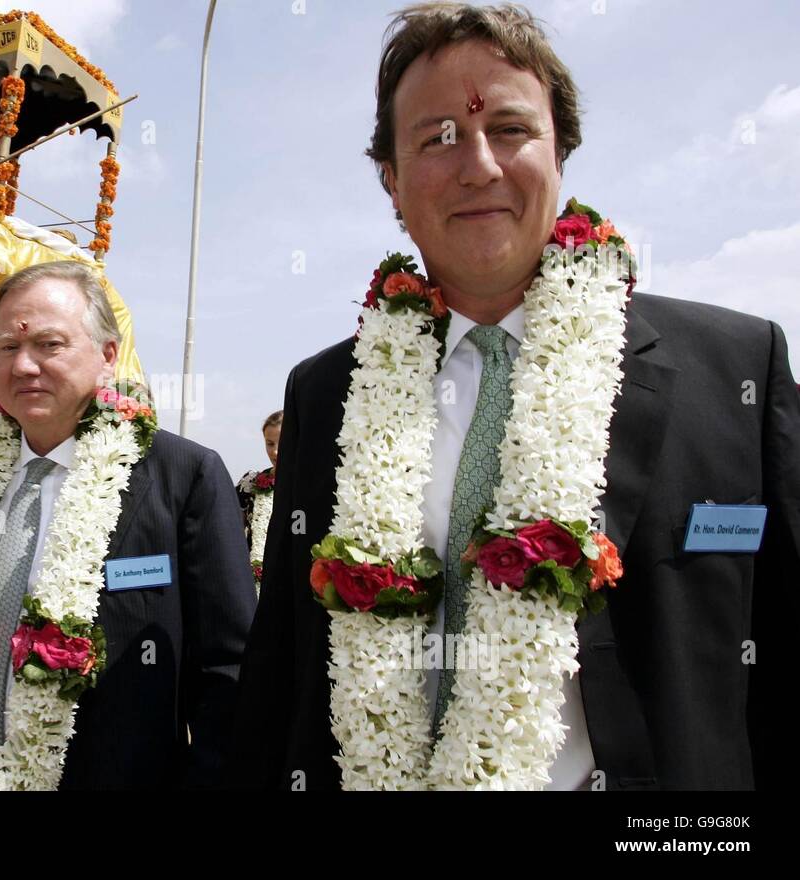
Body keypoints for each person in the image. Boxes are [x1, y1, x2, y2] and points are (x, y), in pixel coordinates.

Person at [230, 2, 799, 791]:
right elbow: (280, 670)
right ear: (391, 181)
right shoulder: (327, 393)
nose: (479, 167)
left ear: (561, 153)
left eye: (510, 129)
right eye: (438, 138)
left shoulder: (733, 369)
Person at [0, 260, 255, 789]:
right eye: (7, 348)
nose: (24, 366)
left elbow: (229, 669)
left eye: (49, 345)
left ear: (107, 356)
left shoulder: (182, 475)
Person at [236, 410, 281, 587]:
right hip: (250, 581)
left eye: (281, 443)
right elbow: (232, 529)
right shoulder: (249, 484)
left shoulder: (304, 487)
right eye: (270, 444)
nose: (275, 451)